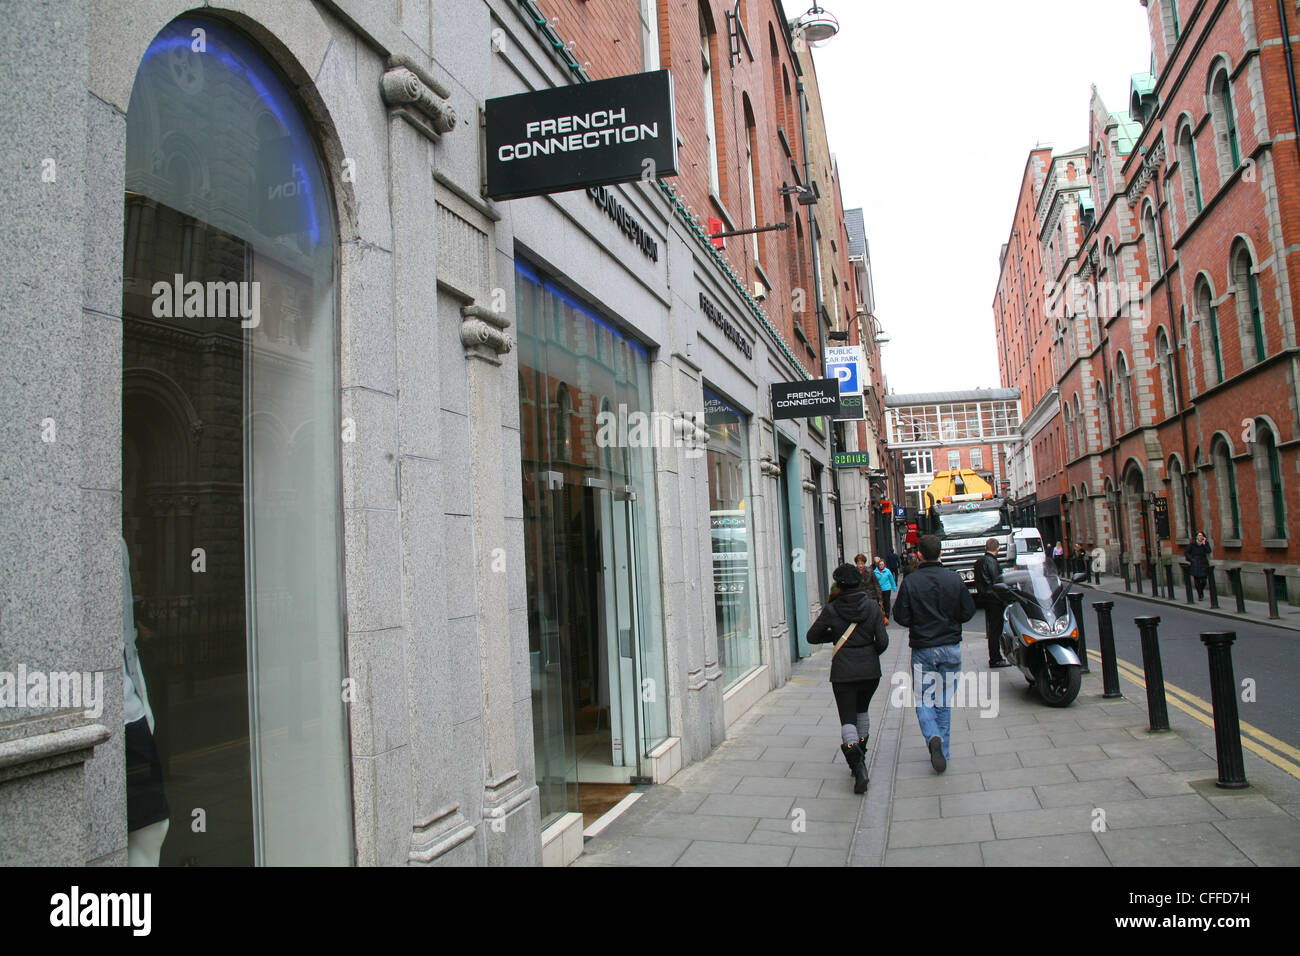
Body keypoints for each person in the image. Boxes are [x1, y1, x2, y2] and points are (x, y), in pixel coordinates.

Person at [892, 534, 976, 773]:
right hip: (950, 648)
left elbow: (900, 616)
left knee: (923, 699)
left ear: (919, 554)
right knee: (943, 700)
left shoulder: (911, 581)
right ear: (940, 553)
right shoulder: (954, 579)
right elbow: (967, 612)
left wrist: (920, 621)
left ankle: (932, 738)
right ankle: (943, 752)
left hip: (923, 649)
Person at [807, 564, 889, 794]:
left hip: (843, 671)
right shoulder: (872, 607)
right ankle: (860, 757)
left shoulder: (832, 609)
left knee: (847, 719)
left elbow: (812, 636)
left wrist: (834, 635)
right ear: (859, 582)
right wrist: (869, 654)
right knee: (862, 711)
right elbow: (882, 642)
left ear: (839, 585)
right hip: (870, 671)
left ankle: (859, 766)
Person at [973, 537, 1010, 668]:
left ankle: (995, 657)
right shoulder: (992, 562)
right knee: (996, 630)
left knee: (992, 630)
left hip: (985, 599)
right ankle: (995, 658)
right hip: (995, 600)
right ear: (998, 549)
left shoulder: (978, 562)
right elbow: (997, 582)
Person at [1186, 531, 1212, 600]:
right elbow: (1187, 552)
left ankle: (1201, 590)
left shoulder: (1205, 543)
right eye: (1199, 535)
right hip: (1195, 562)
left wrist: (1204, 544)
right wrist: (1191, 560)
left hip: (1203, 562)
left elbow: (1209, 551)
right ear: (1196, 537)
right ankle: (1200, 594)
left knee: (1204, 580)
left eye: (1202, 535)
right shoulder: (1192, 544)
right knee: (1197, 579)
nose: (1200, 537)